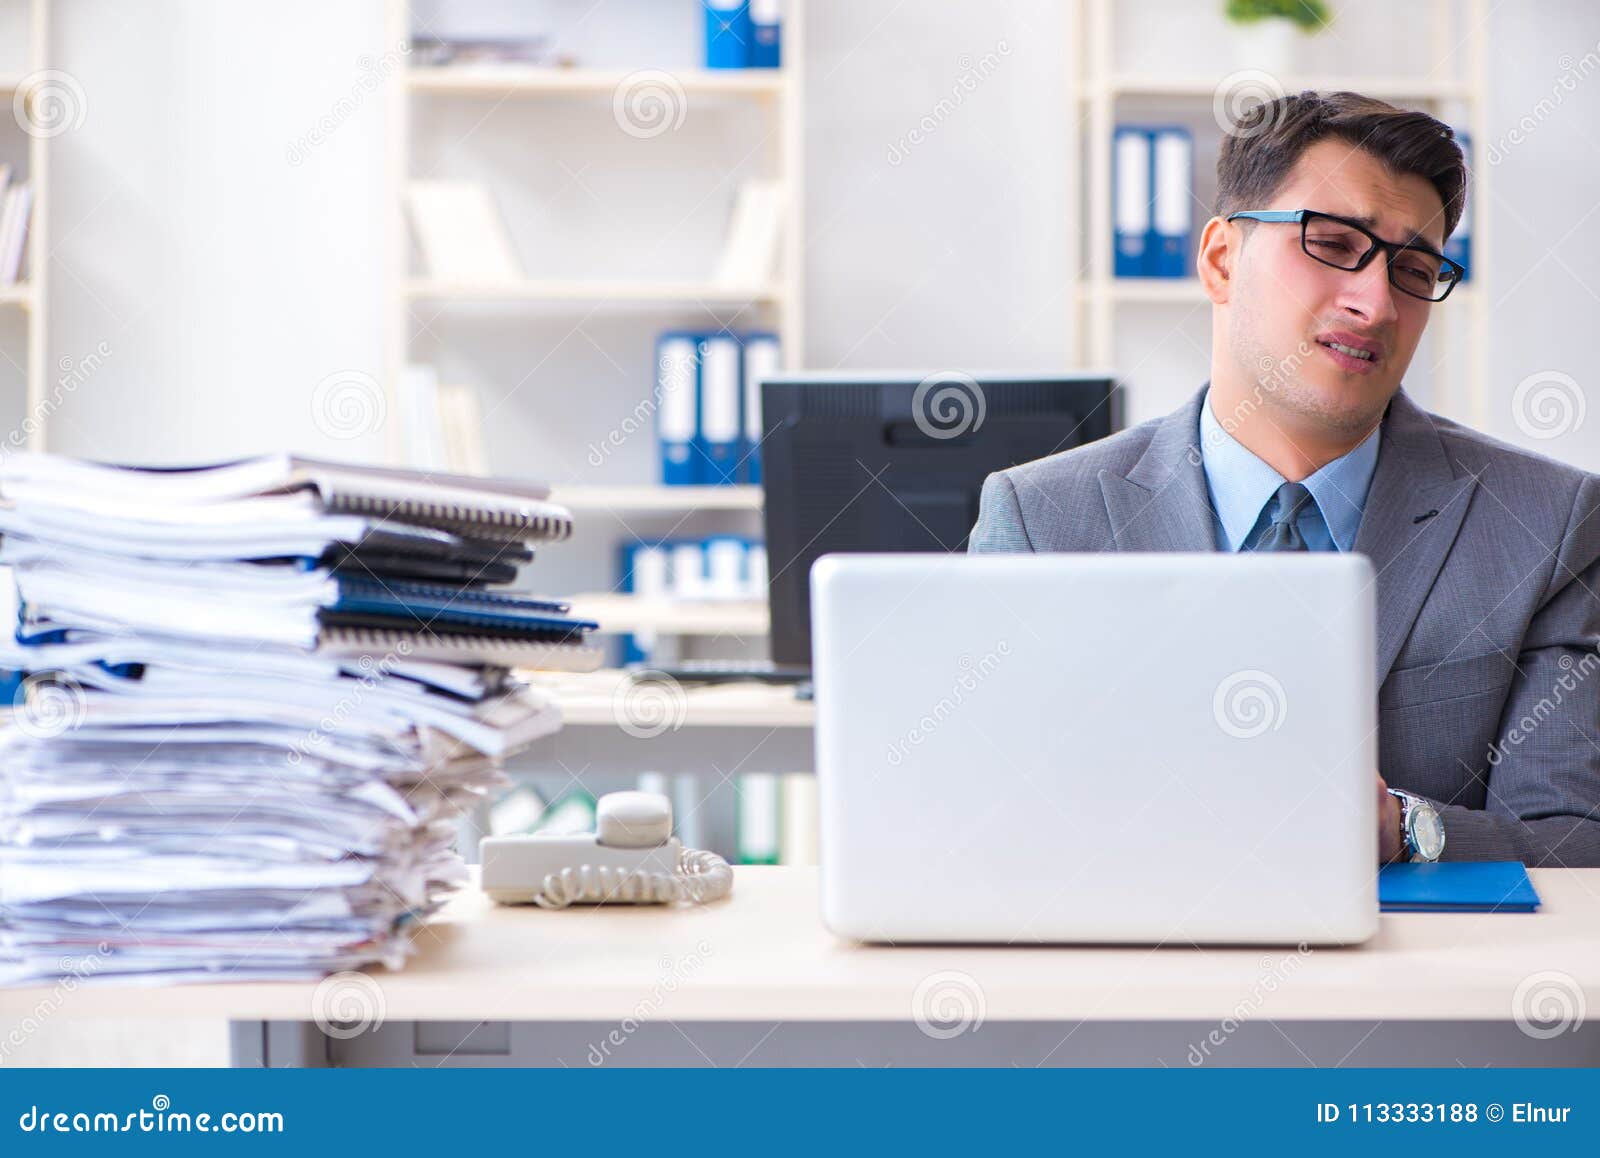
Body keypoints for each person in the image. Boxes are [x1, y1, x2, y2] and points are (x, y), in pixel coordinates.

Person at [969, 90, 1600, 866]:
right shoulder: (1041, 520)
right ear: (1221, 260)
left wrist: (1403, 830)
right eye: (1333, 244)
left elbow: (1574, 844)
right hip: (1131, 972)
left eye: (1413, 267)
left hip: (1418, 980)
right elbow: (980, 820)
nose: (1375, 303)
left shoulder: (1547, 521)